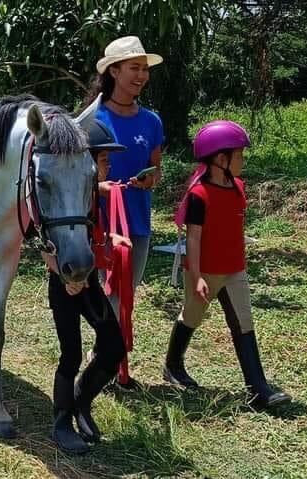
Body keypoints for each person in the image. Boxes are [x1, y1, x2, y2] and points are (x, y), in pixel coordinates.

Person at [163, 120, 292, 410]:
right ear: (221, 159)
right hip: (205, 271)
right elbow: (194, 239)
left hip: (234, 269)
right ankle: (173, 365)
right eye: (239, 155)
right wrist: (196, 276)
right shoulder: (199, 195)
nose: (242, 160)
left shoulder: (238, 188)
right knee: (191, 317)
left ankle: (258, 388)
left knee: (243, 323)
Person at [45, 120, 128, 454]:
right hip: (64, 282)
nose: (108, 166)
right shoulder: (64, 198)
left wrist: (111, 239)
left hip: (88, 279)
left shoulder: (91, 195)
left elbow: (89, 236)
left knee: (113, 347)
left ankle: (81, 400)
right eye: (104, 160)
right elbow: (42, 242)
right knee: (72, 352)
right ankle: (61, 422)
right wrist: (66, 278)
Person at [86, 36, 164, 387]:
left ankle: (106, 355)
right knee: (107, 293)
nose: (141, 75)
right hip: (98, 222)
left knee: (125, 292)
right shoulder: (91, 120)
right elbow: (76, 173)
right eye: (134, 68)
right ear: (114, 71)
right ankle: (106, 359)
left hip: (137, 220)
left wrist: (150, 180)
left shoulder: (152, 121)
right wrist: (99, 188)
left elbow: (155, 167)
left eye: (144, 69)